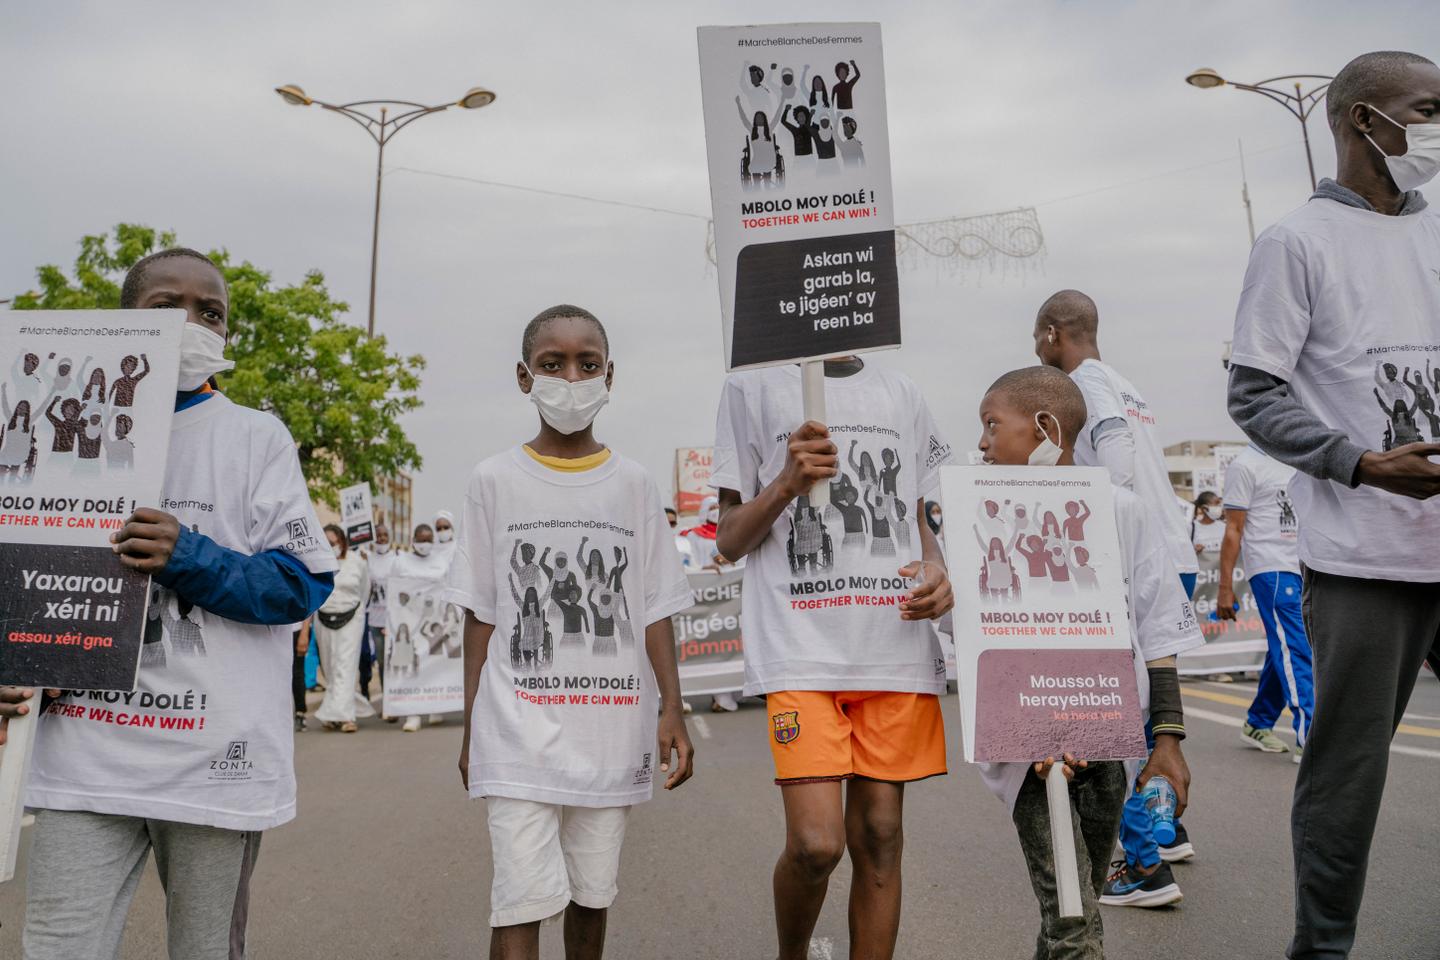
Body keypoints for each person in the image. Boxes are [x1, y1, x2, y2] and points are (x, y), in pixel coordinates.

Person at [11, 247, 335, 959]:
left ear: (227, 337)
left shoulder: (255, 437)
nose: (190, 322)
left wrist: (188, 555)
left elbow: (302, 584)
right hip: (82, 763)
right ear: (126, 318)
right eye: (167, 307)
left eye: (210, 313)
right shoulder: (52, 428)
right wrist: (20, 660)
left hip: (212, 764)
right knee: (56, 948)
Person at [1226, 50, 1440, 959]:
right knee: (1347, 781)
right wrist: (1360, 463)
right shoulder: (1296, 242)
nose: (1437, 128)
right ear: (1364, 120)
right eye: (1427, 108)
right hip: (1365, 563)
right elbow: (1254, 396)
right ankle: (1321, 949)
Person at [445, 304, 694, 960]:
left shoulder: (634, 486)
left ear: (611, 374)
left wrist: (672, 707)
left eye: (587, 364)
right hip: (515, 725)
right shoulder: (493, 480)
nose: (571, 378)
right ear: (524, 378)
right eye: (552, 364)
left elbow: (656, 607)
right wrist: (473, 725)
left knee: (593, 896)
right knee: (520, 902)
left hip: (609, 727)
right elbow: (480, 613)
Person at [712, 352, 954, 960]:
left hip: (893, 644)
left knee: (880, 835)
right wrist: (786, 484)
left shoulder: (903, 391)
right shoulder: (750, 385)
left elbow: (924, 516)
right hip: (800, 650)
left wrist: (936, 567)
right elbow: (730, 537)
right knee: (816, 844)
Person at [974, 366, 1202, 955]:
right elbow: (976, 631)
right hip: (1033, 755)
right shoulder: (983, 515)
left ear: (1046, 427)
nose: (982, 443)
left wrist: (1168, 740)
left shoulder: (1124, 511)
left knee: (1069, 918)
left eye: (992, 425)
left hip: (1110, 743)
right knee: (1075, 924)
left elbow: (1158, 626)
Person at [1034, 287, 1201, 897]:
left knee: (1123, 715)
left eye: (1036, 338)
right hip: (1167, 551)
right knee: (1148, 707)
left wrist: (1095, 518)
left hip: (1135, 554)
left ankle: (1137, 865)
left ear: (1054, 333)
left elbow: (1120, 462)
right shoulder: (1124, 380)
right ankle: (1162, 829)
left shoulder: (1087, 382)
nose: (1035, 349)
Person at [1216, 446, 1314, 762]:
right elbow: (1233, 528)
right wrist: (1224, 587)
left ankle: (1258, 722)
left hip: (1303, 564)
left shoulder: (1295, 457)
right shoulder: (1244, 465)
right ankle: (1310, 735)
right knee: (1297, 648)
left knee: (1285, 646)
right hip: (1271, 568)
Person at [387, 523, 448, 732]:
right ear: (413, 540)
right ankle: (412, 714)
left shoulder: (440, 561)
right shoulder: (400, 561)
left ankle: (434, 707)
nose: (425, 544)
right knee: (411, 668)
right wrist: (391, 623)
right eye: (421, 540)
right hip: (409, 623)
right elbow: (392, 592)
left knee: (433, 666)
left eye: (429, 540)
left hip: (433, 624)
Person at [313, 524, 373, 733]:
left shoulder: (358, 562)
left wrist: (355, 609)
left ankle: (346, 717)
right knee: (329, 667)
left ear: (342, 542)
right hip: (323, 618)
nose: (330, 547)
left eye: (333, 543)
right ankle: (334, 712)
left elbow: (365, 591)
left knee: (345, 666)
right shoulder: (318, 562)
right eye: (326, 543)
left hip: (352, 617)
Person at [366, 524, 395, 702]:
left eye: (385, 535)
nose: (382, 538)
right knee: (382, 662)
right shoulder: (368, 559)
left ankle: (396, 698)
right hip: (375, 620)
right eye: (378, 535)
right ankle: (387, 700)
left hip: (394, 620)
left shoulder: (398, 558)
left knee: (395, 661)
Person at [681, 495, 723, 568]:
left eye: (718, 508)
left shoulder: (728, 533)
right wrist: (703, 568)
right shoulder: (694, 534)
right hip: (703, 575)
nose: (716, 511)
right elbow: (689, 560)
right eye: (712, 508)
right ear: (705, 511)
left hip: (728, 575)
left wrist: (723, 561)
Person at [1189, 490, 1224, 562]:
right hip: (1203, 571)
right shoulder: (1192, 527)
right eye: (1216, 504)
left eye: (1220, 504)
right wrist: (1194, 551)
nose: (1220, 507)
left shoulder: (1224, 527)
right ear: (1204, 508)